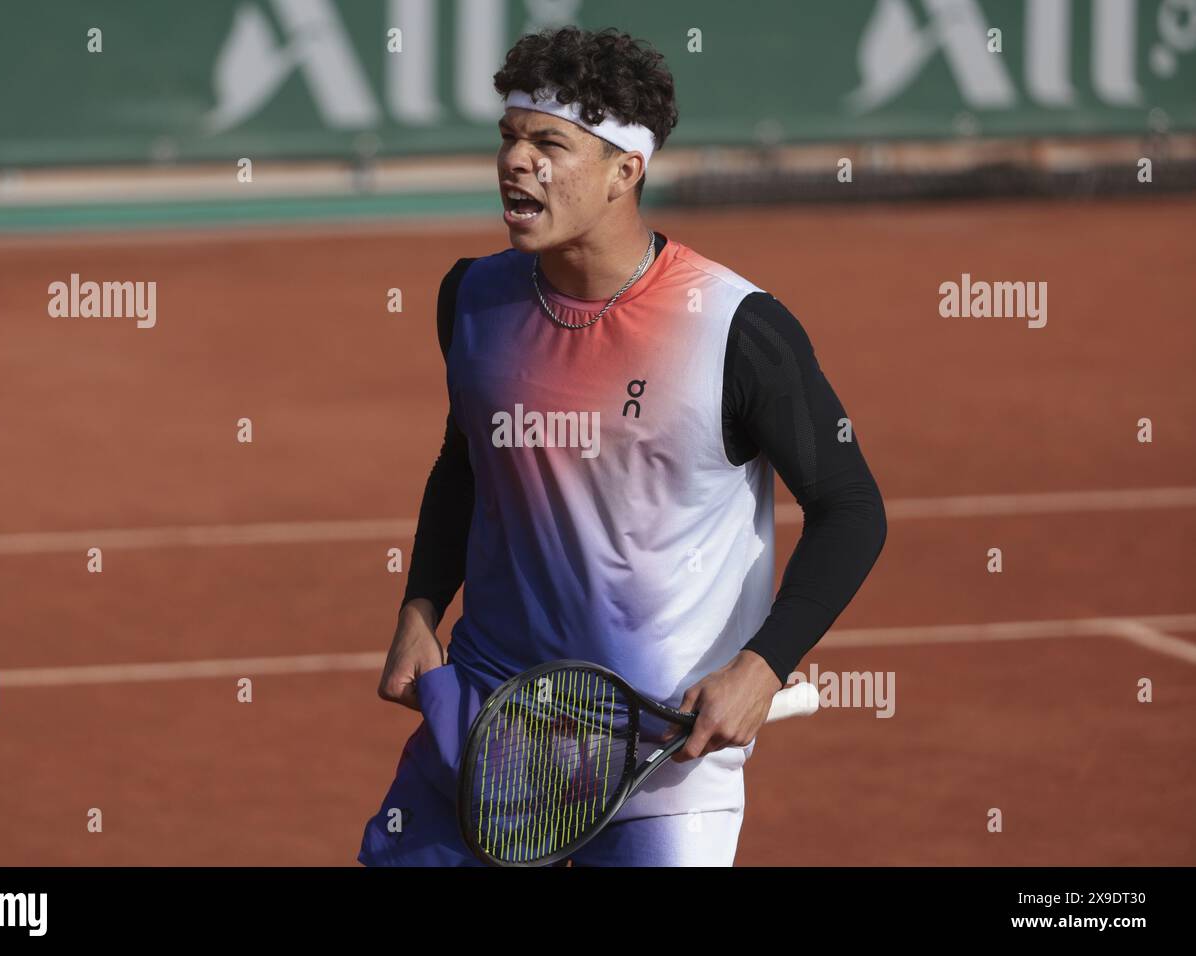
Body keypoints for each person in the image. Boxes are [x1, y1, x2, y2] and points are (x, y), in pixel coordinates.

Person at [359, 26, 887, 866]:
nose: (515, 162)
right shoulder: (473, 298)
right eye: (509, 137)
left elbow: (850, 507)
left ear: (624, 170)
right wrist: (420, 608)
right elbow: (467, 463)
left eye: (549, 144)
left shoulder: (735, 329)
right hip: (488, 720)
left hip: (658, 763)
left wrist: (762, 665)